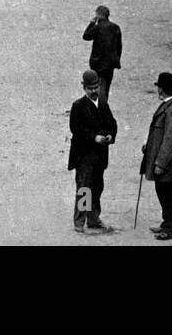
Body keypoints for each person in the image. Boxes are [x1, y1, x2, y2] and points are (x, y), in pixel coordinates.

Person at [68, 69, 117, 234]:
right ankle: (80, 221)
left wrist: (111, 135)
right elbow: (76, 128)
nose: (94, 91)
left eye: (96, 87)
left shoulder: (103, 103)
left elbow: (112, 123)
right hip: (84, 156)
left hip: (100, 156)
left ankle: (94, 219)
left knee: (97, 187)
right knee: (84, 188)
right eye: (90, 88)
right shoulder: (78, 106)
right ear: (84, 88)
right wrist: (93, 137)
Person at [140, 71, 172, 240]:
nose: (158, 90)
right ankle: (166, 224)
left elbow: (170, 140)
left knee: (167, 195)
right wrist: (149, 147)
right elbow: (159, 134)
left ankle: (170, 229)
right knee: (162, 192)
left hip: (166, 163)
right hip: (162, 160)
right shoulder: (169, 105)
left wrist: (160, 163)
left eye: (159, 87)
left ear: (161, 89)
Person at [82, 6, 122, 103]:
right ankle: (103, 107)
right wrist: (116, 60)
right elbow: (119, 47)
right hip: (110, 64)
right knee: (106, 88)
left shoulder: (97, 27)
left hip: (97, 63)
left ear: (99, 15)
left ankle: (99, 109)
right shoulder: (115, 27)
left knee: (97, 88)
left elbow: (86, 36)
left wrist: (91, 23)